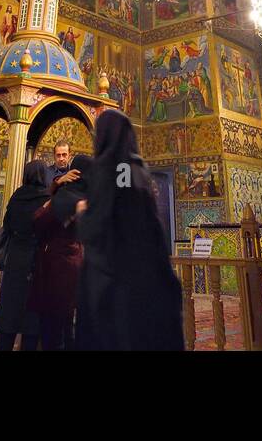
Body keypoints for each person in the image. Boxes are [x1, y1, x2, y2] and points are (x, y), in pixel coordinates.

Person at [75, 111, 183, 350]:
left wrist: (83, 213)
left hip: (114, 282)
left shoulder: (114, 168)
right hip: (145, 276)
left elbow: (103, 220)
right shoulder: (137, 168)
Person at [0, 160, 50, 351]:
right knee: (31, 323)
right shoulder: (47, 199)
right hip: (36, 262)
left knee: (9, 317)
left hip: (15, 260)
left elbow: (7, 226)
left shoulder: (16, 197)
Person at [31, 154, 86, 350]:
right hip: (76, 264)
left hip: (58, 268)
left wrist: (50, 200)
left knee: (53, 331)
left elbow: (39, 221)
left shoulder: (66, 198)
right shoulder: (88, 197)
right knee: (67, 326)